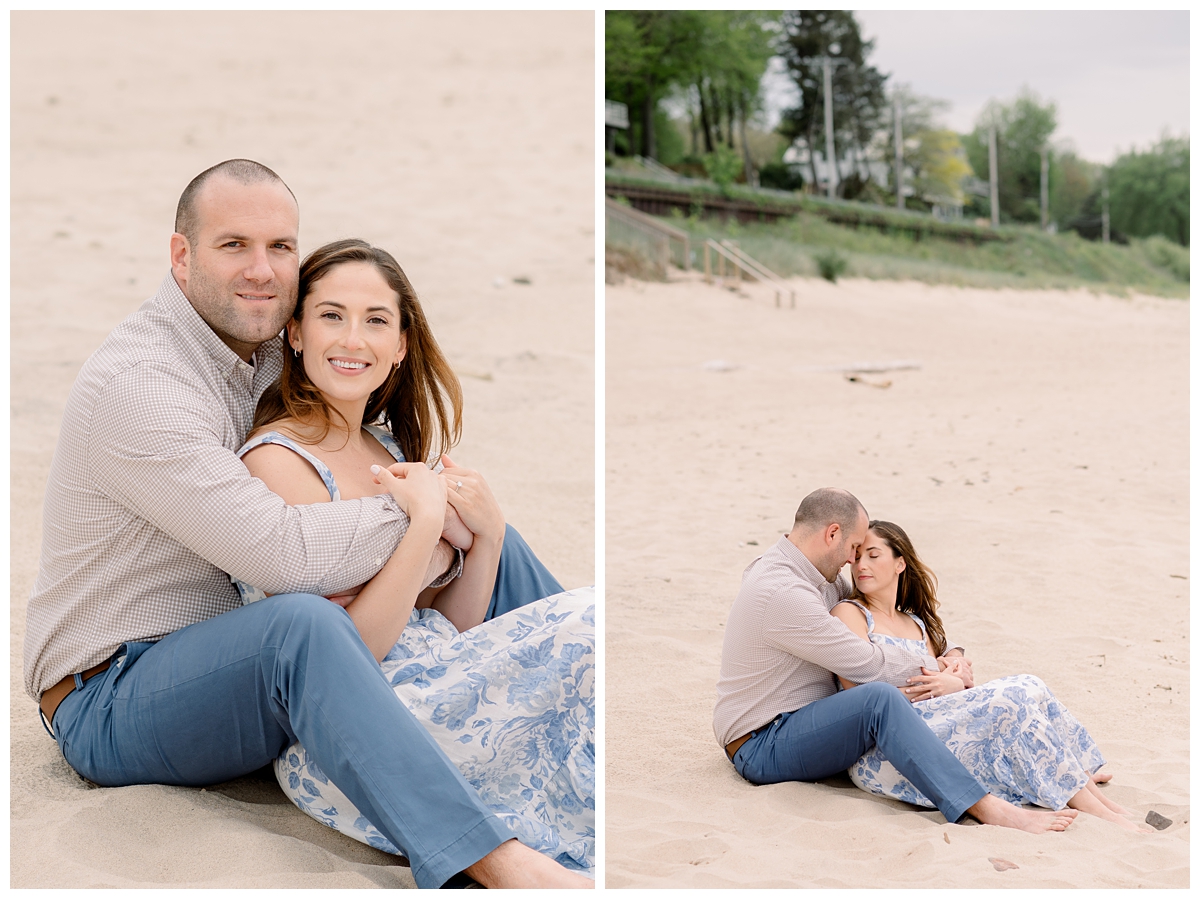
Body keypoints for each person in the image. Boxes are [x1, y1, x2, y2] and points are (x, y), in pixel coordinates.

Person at [23, 158, 591, 888]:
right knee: (302, 621)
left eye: (281, 247)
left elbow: (349, 452)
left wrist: (463, 524)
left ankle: (583, 704)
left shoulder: (262, 348)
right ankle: (495, 860)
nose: (262, 269)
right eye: (234, 245)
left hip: (233, 659)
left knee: (498, 541)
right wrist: (425, 514)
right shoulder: (141, 386)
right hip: (114, 691)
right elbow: (282, 552)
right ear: (181, 255)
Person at [235, 237, 595, 870]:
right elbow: (340, 654)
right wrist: (427, 521)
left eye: (376, 321)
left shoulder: (393, 451)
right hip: (365, 722)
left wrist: (486, 536)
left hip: (443, 675)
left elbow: (448, 624)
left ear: (401, 345)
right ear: (294, 332)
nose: (353, 339)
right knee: (587, 624)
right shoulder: (278, 459)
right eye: (331, 315)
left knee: (591, 625)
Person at [713, 487, 1078, 833]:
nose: (852, 561)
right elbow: (869, 664)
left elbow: (891, 620)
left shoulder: (815, 576)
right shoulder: (782, 591)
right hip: (762, 743)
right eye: (854, 547)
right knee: (879, 698)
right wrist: (938, 672)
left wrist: (953, 654)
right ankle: (985, 808)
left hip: (803, 725)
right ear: (832, 533)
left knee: (889, 702)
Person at [833, 519, 1148, 833]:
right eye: (857, 556)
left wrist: (954, 682)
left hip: (934, 727)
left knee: (1030, 684)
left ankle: (1078, 778)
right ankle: (1092, 803)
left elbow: (948, 679)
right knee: (1011, 699)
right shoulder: (850, 613)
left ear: (900, 563)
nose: (862, 565)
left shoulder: (916, 623)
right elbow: (858, 696)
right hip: (888, 747)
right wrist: (943, 687)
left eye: (873, 555)